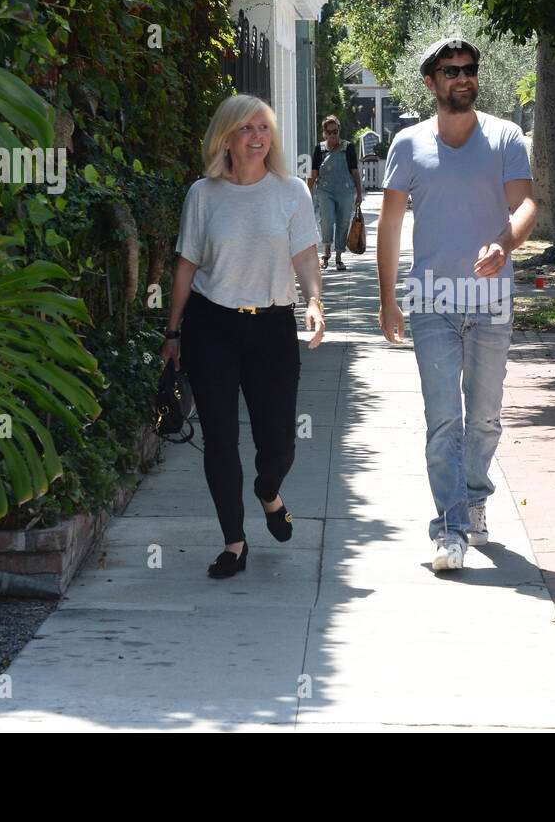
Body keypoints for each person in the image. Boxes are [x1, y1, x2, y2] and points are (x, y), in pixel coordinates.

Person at [376, 37, 536, 572]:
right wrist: (387, 300)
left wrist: (505, 244)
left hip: (491, 301)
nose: (462, 78)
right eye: (451, 71)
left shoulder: (506, 136)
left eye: (469, 69)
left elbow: (526, 204)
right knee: (444, 416)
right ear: (431, 81)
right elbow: (391, 225)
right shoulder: (408, 144)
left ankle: (474, 498)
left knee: (485, 417)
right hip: (431, 302)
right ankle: (450, 528)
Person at [161, 94, 325, 579]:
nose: (258, 137)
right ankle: (234, 542)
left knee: (280, 441)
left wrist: (314, 301)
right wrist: (173, 330)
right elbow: (186, 265)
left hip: (272, 327)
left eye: (264, 129)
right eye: (247, 129)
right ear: (226, 138)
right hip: (212, 326)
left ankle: (269, 493)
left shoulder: (291, 191)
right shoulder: (203, 194)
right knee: (220, 440)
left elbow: (306, 257)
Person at [307, 115, 363, 271]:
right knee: (326, 220)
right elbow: (314, 173)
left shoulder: (348, 147)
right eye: (329, 132)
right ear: (324, 133)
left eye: (335, 131)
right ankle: (326, 254)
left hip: (345, 191)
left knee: (343, 222)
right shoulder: (319, 149)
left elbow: (355, 172)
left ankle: (339, 256)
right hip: (325, 191)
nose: (333, 135)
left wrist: (359, 193)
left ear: (339, 130)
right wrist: (305, 192)